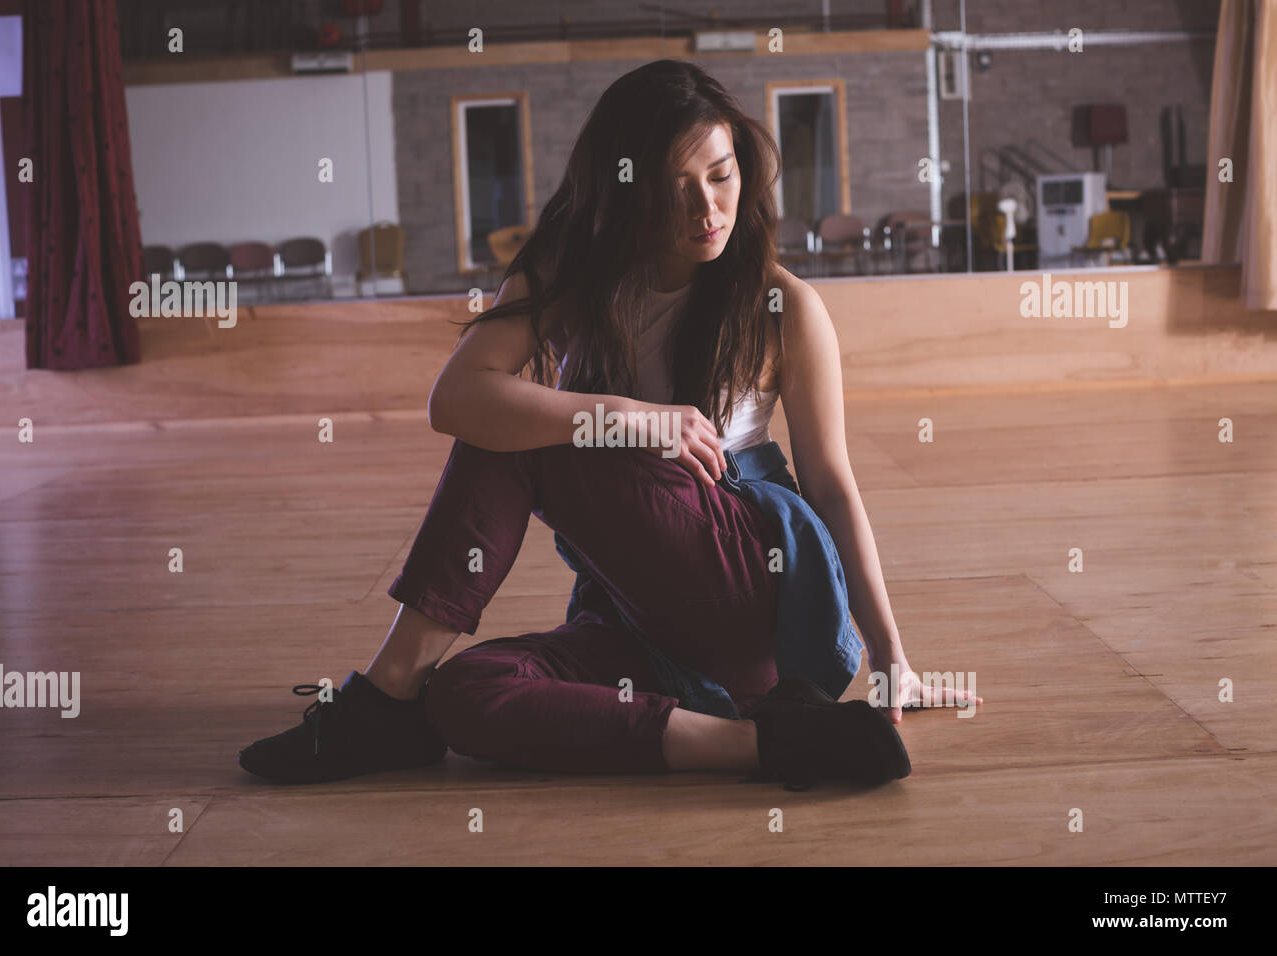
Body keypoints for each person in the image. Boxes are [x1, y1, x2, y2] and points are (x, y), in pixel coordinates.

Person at [238, 59, 979, 790]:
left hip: (746, 586)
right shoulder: (571, 275)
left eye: (721, 176)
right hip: (642, 625)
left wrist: (892, 659)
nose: (707, 210)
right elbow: (454, 397)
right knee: (465, 694)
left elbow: (831, 485)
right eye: (674, 189)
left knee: (534, 436)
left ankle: (382, 697)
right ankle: (761, 745)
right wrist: (633, 418)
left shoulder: (779, 304)